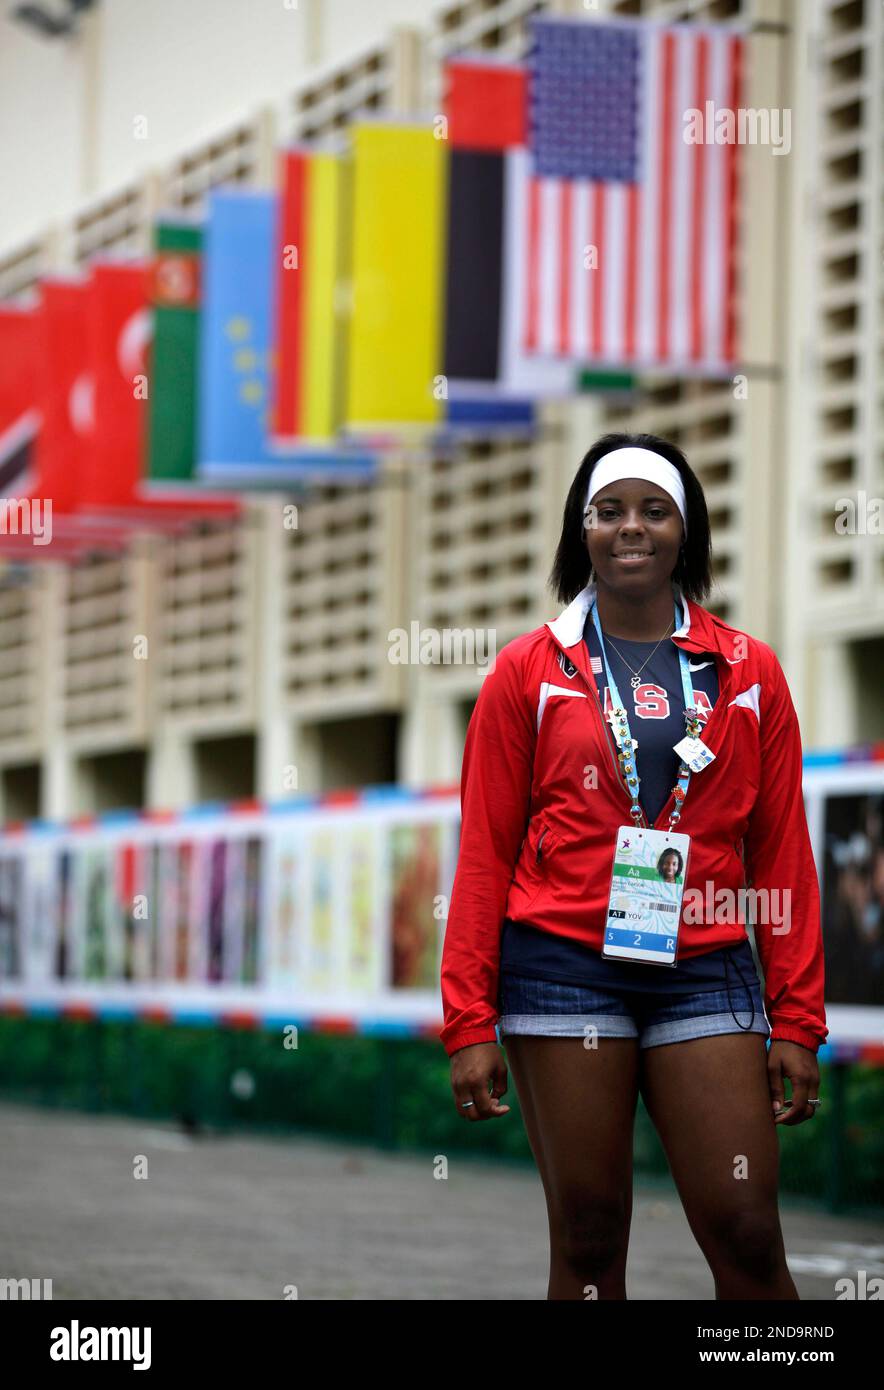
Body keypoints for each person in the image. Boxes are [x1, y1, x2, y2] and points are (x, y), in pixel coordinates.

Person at [439, 432, 827, 1301]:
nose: (631, 529)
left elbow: (784, 855)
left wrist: (799, 1016)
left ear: (685, 531)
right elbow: (483, 855)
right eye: (608, 512)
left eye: (654, 511)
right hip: (562, 971)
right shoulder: (527, 671)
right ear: (582, 533)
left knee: (748, 1229)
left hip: (706, 969)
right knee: (586, 1236)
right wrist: (467, 1018)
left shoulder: (746, 671)